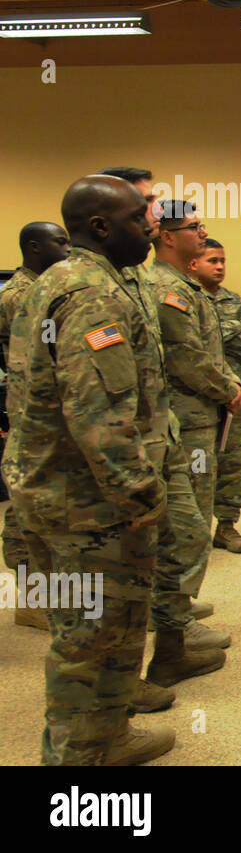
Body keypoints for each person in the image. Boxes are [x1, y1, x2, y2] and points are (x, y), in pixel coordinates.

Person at [3, 175, 173, 765]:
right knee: (91, 638)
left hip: (62, 493)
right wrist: (143, 497)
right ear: (100, 227)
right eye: (137, 218)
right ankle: (76, 768)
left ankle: (109, 737)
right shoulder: (92, 295)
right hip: (89, 505)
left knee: (107, 629)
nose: (150, 226)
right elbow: (99, 418)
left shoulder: (60, 278)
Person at [98, 167, 224, 697]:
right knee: (179, 534)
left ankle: (171, 640)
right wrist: (226, 388)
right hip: (150, 440)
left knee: (185, 529)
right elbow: (181, 359)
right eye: (146, 205)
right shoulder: (123, 286)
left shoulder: (140, 281)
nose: (153, 213)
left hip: (165, 431)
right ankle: (163, 640)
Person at [146, 200, 240, 648]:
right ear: (167, 236)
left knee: (187, 520)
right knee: (191, 523)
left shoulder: (185, 283)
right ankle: (174, 618)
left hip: (197, 416)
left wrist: (228, 381)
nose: (203, 233)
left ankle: (173, 603)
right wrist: (229, 389)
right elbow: (187, 358)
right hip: (188, 421)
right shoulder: (169, 289)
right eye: (194, 227)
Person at [0, 221, 69, 630]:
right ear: (33, 247)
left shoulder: (46, 288)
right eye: (58, 242)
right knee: (25, 502)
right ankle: (30, 596)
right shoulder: (20, 295)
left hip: (46, 407)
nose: (66, 249)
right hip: (30, 410)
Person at [192, 239, 241, 554]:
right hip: (197, 396)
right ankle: (193, 530)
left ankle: (226, 526)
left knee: (234, 462)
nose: (220, 266)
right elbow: (187, 346)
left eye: (222, 260)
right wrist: (226, 333)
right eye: (212, 260)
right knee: (197, 465)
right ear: (194, 263)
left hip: (237, 394)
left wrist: (215, 333)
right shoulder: (185, 299)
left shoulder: (238, 302)